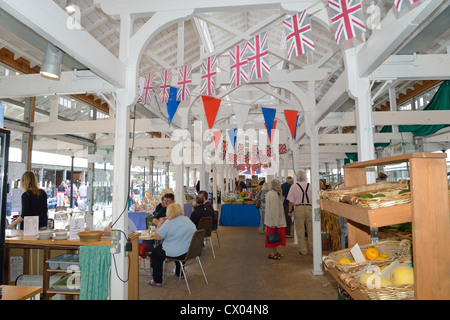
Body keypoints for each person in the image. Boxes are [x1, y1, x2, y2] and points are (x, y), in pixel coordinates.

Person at [148, 203, 196, 287]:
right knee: (179, 245)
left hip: (175, 252)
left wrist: (159, 223)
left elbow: (157, 237)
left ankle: (157, 280)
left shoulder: (169, 222)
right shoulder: (187, 220)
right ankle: (180, 273)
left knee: (155, 254)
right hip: (188, 251)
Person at [287, 170, 313, 256]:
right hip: (310, 208)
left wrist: (290, 211)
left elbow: (291, 201)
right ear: (305, 176)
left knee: (300, 230)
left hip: (299, 208)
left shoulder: (294, 186)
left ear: (297, 177)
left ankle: (303, 250)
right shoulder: (310, 186)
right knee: (311, 230)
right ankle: (313, 249)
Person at [264, 179, 286, 260]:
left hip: (272, 221)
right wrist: (275, 223)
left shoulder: (272, 193)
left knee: (273, 239)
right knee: (271, 238)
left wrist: (281, 195)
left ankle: (275, 251)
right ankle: (272, 253)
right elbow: (274, 210)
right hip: (274, 222)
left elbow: (278, 204)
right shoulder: (273, 195)